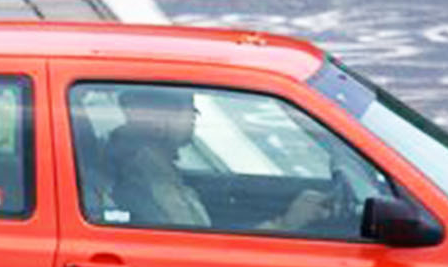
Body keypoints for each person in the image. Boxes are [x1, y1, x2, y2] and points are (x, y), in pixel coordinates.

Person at [104, 87, 331, 233]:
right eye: (188, 109)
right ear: (157, 119)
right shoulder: (149, 179)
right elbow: (200, 250)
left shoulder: (151, 165)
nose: (195, 117)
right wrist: (288, 223)